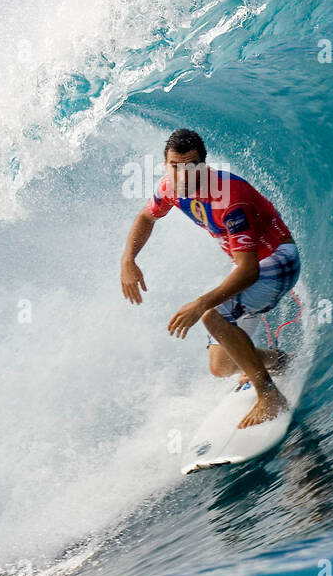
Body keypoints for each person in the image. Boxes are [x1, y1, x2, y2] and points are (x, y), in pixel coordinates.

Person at [119, 128, 301, 428]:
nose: (182, 175)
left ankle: (268, 394)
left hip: (277, 261)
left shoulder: (230, 199)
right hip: (252, 265)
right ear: (166, 165)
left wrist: (200, 304)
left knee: (211, 315)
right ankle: (279, 361)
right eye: (174, 166)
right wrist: (129, 260)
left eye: (190, 167)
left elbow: (248, 271)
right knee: (221, 365)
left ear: (203, 166)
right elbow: (145, 217)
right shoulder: (170, 187)